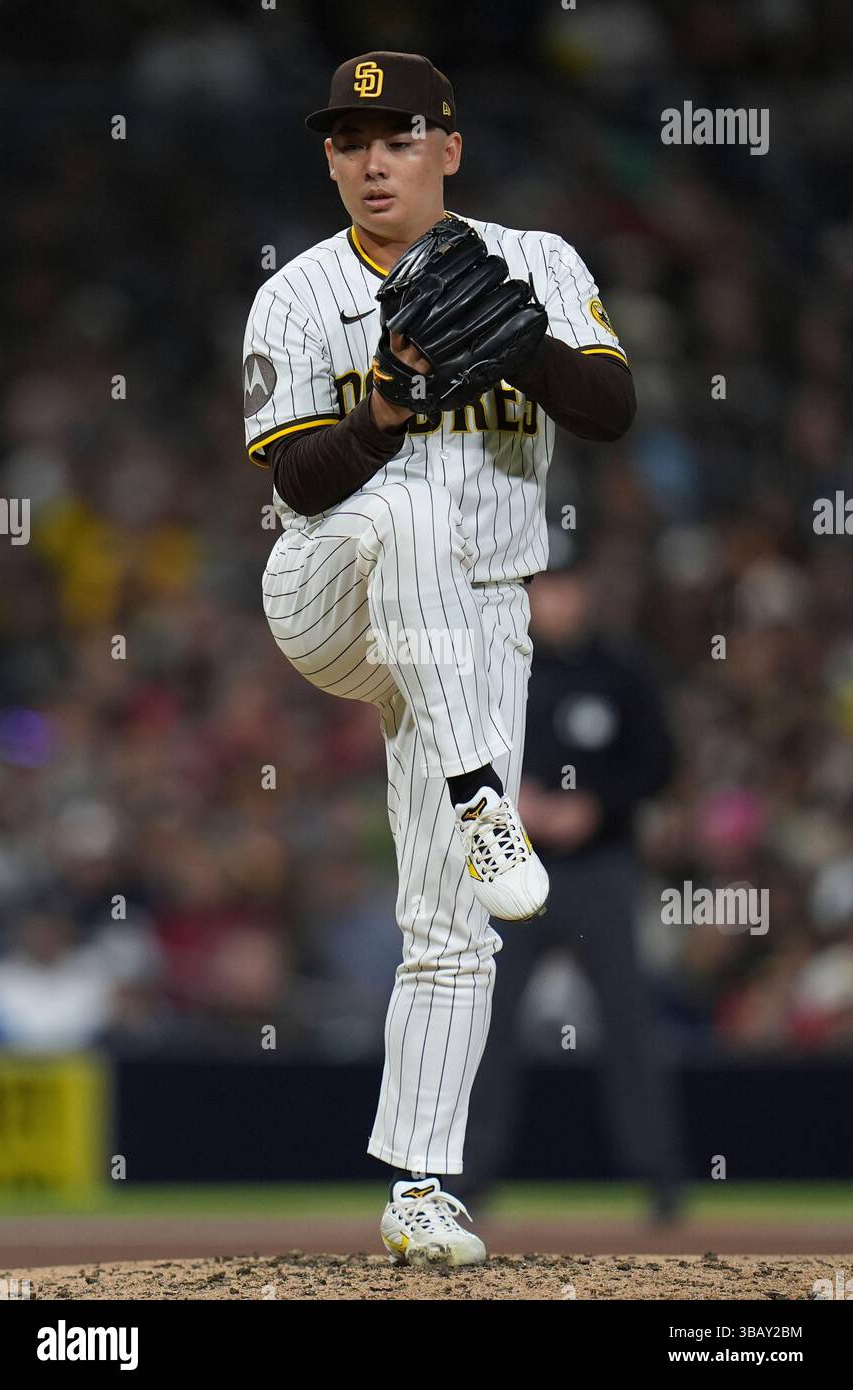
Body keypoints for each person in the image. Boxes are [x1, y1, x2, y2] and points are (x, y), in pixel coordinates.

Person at [242, 50, 635, 1266]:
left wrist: (517, 342)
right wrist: (388, 403)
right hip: (329, 587)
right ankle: (481, 795)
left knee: (455, 925)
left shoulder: (536, 261)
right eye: (349, 140)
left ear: (448, 149)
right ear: (328, 159)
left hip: (474, 626)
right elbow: (298, 478)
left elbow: (608, 409)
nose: (373, 161)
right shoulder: (298, 293)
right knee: (407, 506)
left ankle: (418, 1189)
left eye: (399, 136)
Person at [454, 531, 687, 1224]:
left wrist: (596, 804)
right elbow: (456, 748)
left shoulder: (621, 667)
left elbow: (659, 760)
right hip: (509, 869)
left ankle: (660, 1177)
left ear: (585, 590)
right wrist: (508, 800)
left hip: (598, 870)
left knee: (628, 1020)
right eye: (541, 586)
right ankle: (469, 1178)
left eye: (563, 584)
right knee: (488, 1022)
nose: (553, 600)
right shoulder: (496, 664)